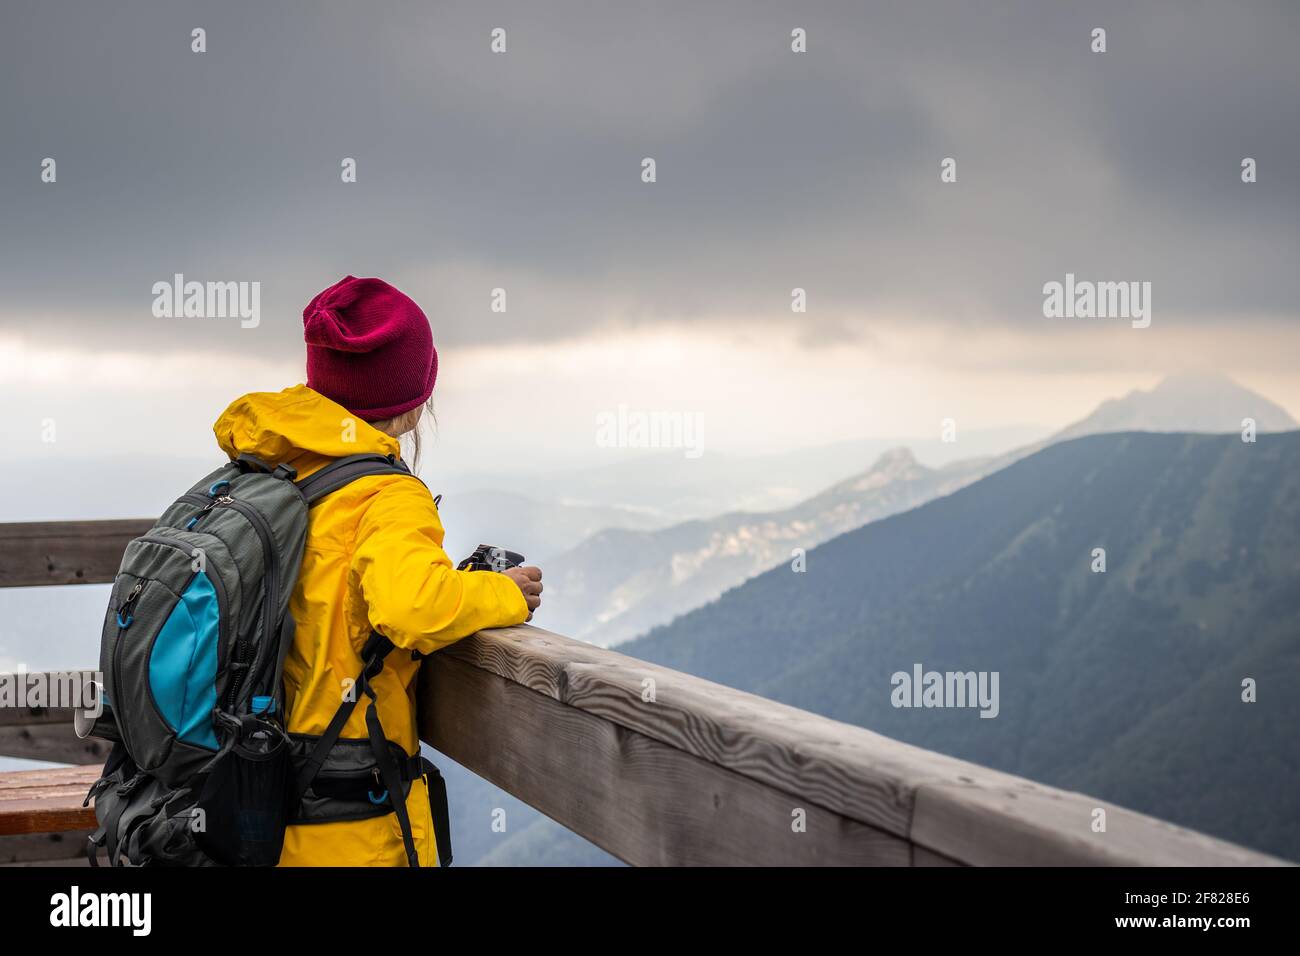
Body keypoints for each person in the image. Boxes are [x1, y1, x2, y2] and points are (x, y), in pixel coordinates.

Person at [210, 275, 543, 866]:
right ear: (413, 397)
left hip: (255, 800)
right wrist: (503, 591)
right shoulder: (383, 495)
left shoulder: (273, 470)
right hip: (345, 820)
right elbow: (413, 608)